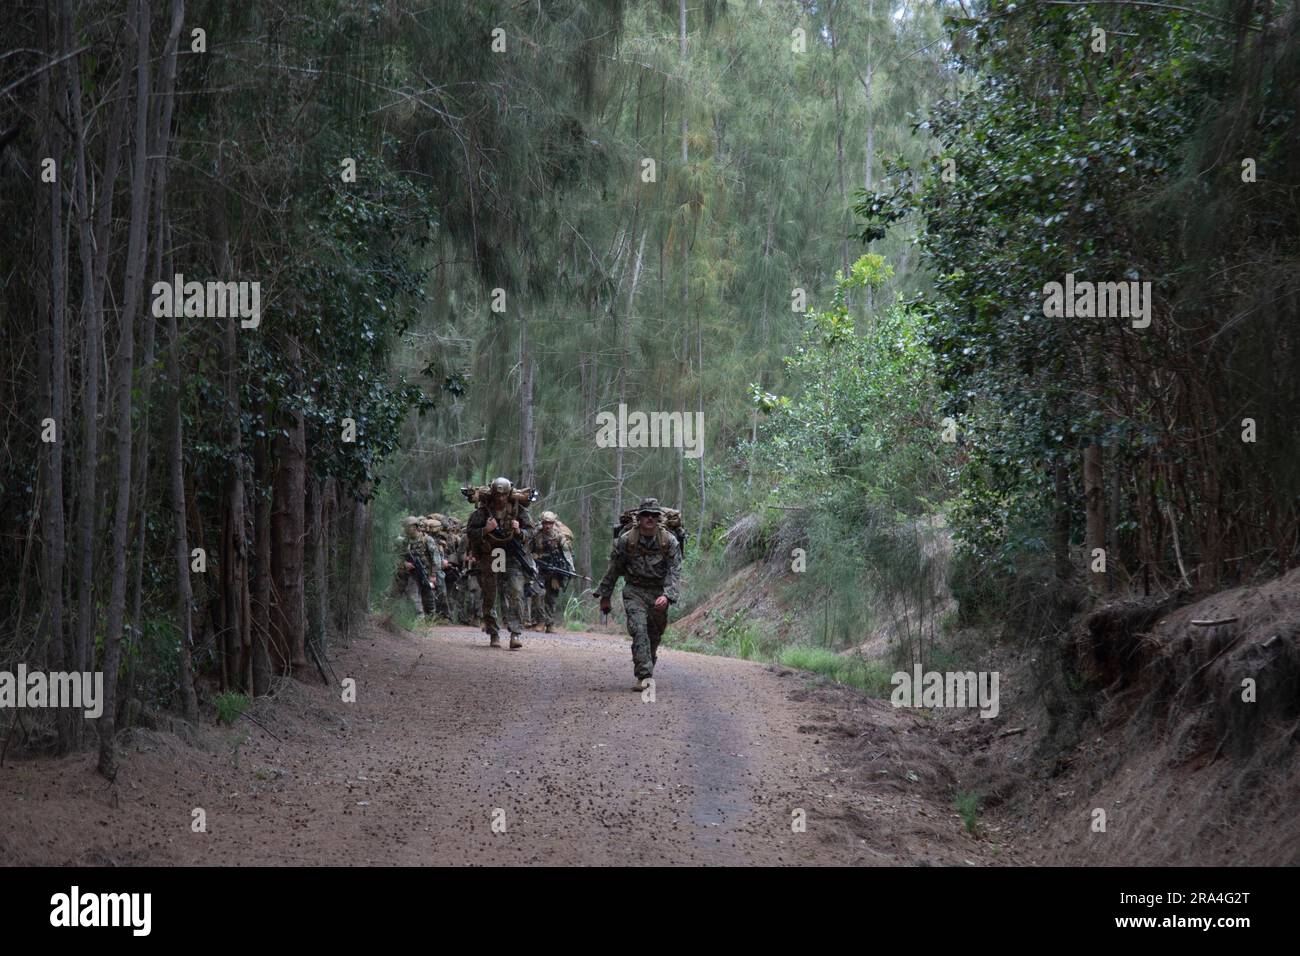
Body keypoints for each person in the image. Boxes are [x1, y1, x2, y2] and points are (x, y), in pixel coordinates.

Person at [595, 498, 682, 690]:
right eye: (645, 515)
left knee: (654, 635)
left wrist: (667, 596)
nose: (649, 518)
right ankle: (644, 675)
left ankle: (647, 661)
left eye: (654, 515)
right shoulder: (627, 540)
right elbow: (614, 569)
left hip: (659, 592)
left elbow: (674, 571)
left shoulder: (669, 541)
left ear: (659, 518)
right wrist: (605, 596)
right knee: (639, 630)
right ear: (639, 518)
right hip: (634, 591)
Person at [465, 476, 535, 649]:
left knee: (516, 591)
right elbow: (470, 532)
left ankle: (515, 633)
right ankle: (493, 633)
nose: (501, 499)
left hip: (512, 555)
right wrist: (485, 530)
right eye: (497, 495)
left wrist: (520, 531)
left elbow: (531, 532)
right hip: (492, 554)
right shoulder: (483, 511)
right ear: (493, 494)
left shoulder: (518, 510)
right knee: (491, 594)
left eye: (504, 496)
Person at [530, 510, 575, 633]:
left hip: (554, 571)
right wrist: (533, 557)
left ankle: (550, 624)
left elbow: (567, 554)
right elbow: (527, 550)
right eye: (545, 523)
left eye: (550, 523)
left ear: (553, 523)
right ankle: (540, 621)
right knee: (538, 593)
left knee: (551, 597)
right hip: (538, 569)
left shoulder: (559, 536)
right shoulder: (536, 535)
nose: (547, 526)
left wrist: (570, 569)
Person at [389, 516, 439, 618]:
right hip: (412, 573)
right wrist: (404, 564)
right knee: (412, 593)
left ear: (415, 527)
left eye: (408, 527)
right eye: (405, 527)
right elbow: (398, 556)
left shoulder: (427, 539)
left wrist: (433, 575)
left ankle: (432, 616)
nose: (406, 529)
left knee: (428, 595)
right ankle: (419, 617)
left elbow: (435, 558)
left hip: (426, 572)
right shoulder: (404, 541)